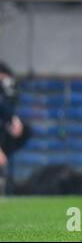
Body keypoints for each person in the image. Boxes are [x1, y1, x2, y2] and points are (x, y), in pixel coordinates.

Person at [0, 61, 31, 196]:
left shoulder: (9, 85)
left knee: (26, 129)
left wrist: (13, 119)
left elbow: (8, 109)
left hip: (4, 125)